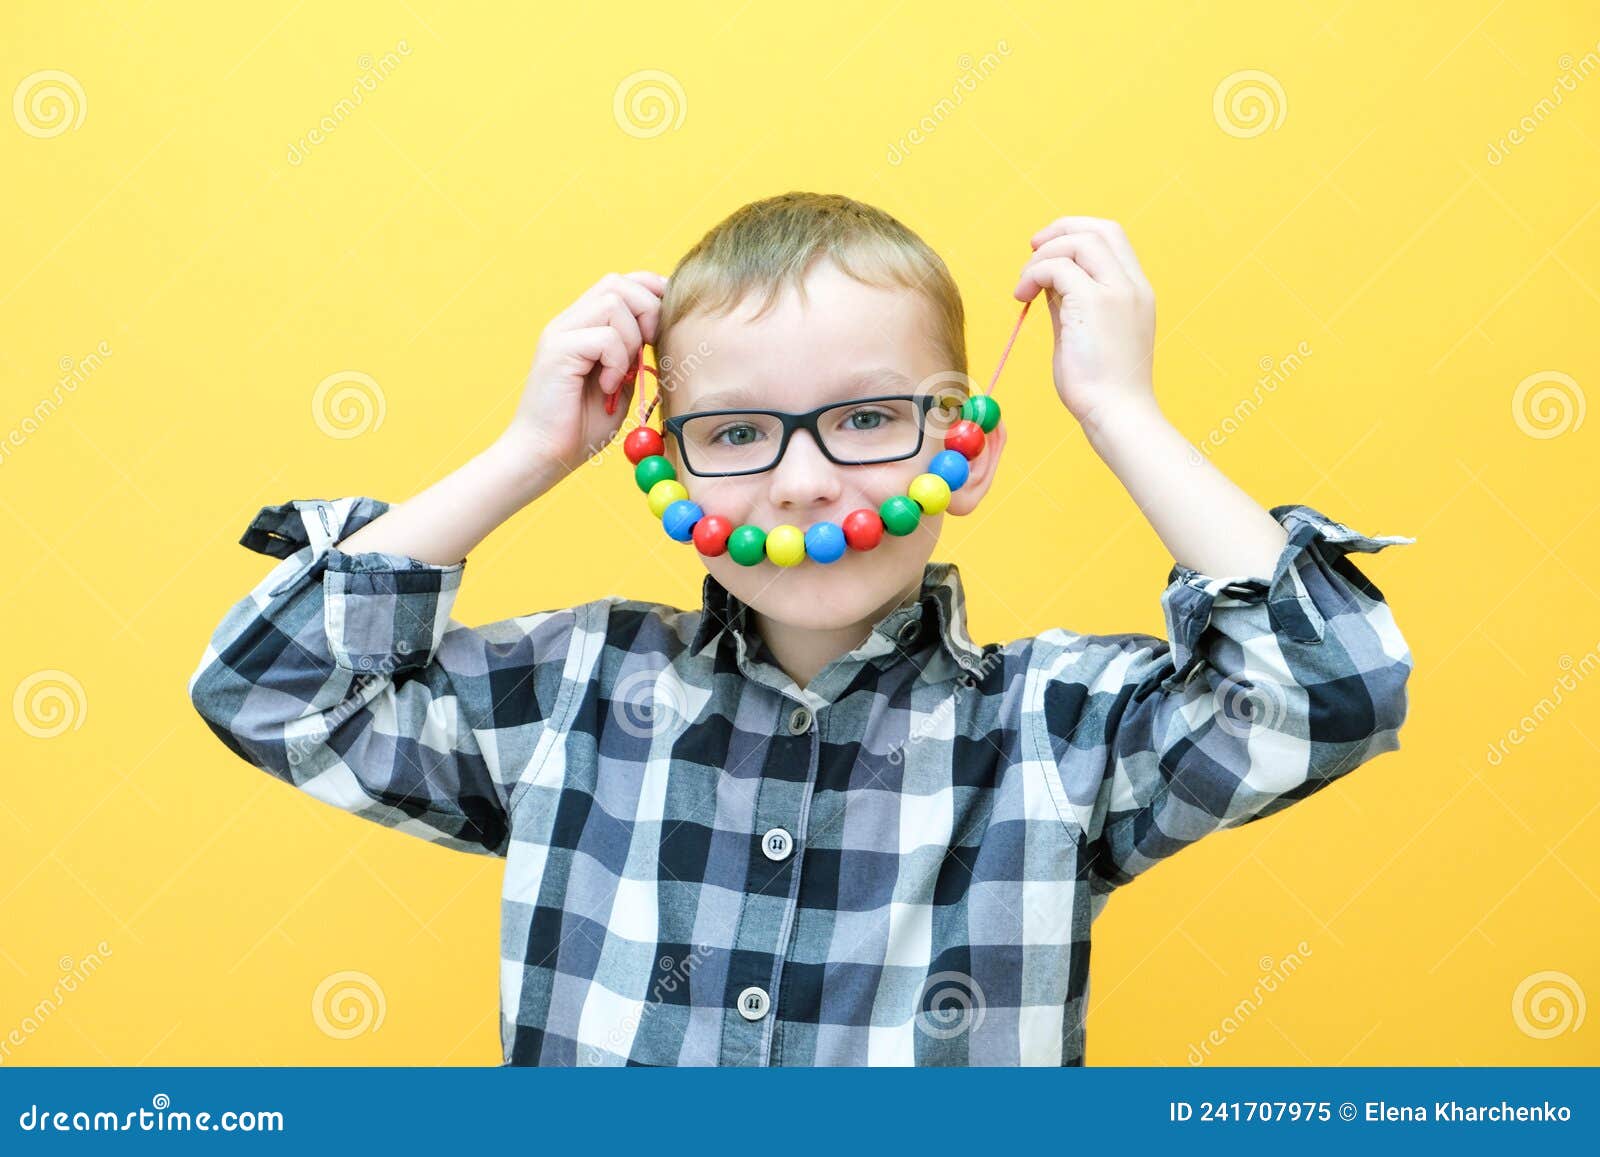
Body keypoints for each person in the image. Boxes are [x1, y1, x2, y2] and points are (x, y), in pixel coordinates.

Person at [187, 191, 1414, 1065]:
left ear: (964, 452)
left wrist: (1120, 409)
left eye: (868, 418)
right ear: (665, 467)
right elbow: (270, 687)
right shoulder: (570, 693)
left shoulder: (1056, 733)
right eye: (735, 432)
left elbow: (1335, 685)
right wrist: (525, 454)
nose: (802, 482)